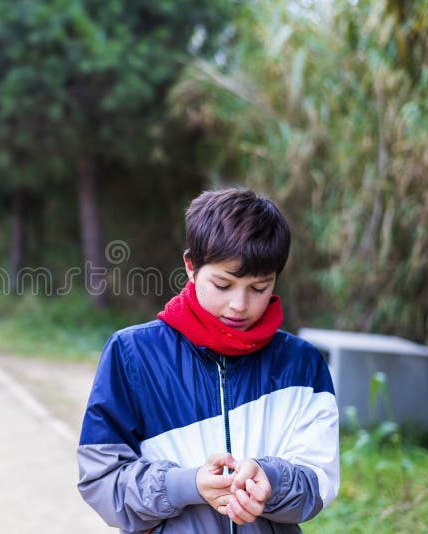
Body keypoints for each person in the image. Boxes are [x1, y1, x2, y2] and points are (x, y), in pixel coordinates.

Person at [77, 188, 339, 533]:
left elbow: (319, 480)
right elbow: (101, 478)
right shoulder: (132, 355)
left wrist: (271, 482)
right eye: (223, 284)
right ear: (191, 266)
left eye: (259, 288)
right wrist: (187, 485)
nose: (239, 305)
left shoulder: (301, 365)